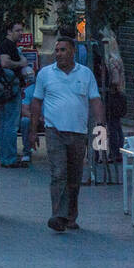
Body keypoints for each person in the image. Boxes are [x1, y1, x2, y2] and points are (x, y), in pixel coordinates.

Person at [28, 37, 104, 232]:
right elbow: (36, 102)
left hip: (78, 133)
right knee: (58, 173)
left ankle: (70, 216)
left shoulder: (85, 74)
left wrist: (100, 129)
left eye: (63, 50)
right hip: (55, 132)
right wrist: (33, 130)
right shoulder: (46, 74)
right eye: (57, 50)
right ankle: (58, 215)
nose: (59, 53)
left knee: (74, 176)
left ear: (73, 52)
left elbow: (95, 101)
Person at [0, 21, 27, 168]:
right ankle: (9, 158)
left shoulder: (9, 45)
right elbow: (5, 63)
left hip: (9, 90)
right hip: (10, 91)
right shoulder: (7, 45)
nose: (20, 33)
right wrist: (21, 63)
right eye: (17, 30)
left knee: (6, 124)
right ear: (9, 32)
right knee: (10, 125)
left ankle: (6, 156)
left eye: (21, 30)